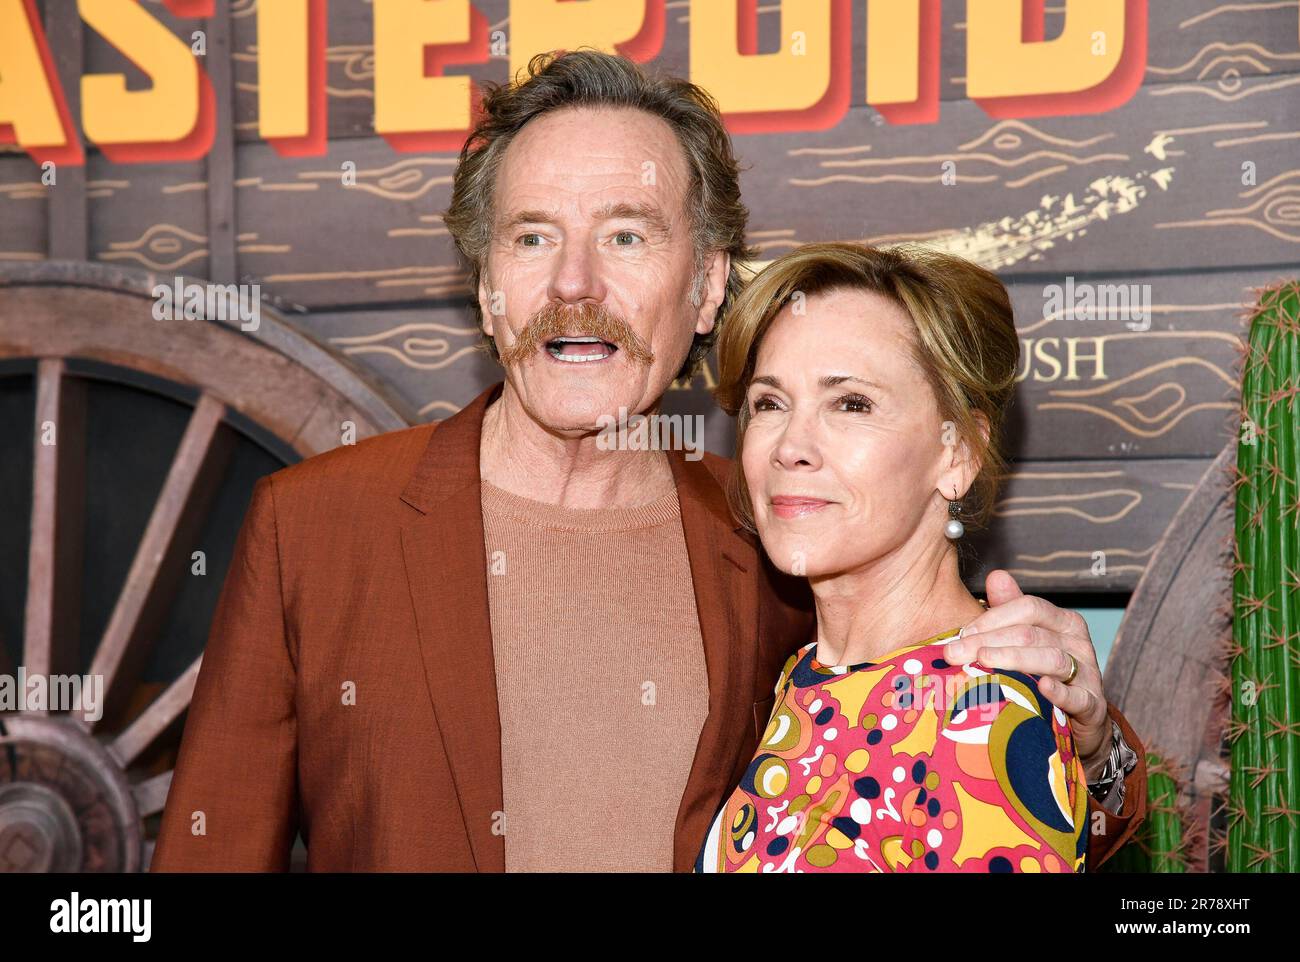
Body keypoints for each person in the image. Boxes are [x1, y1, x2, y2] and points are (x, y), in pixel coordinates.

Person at [151, 50, 1144, 873]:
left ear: (707, 287)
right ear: (488, 285)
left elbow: (964, 794)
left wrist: (1090, 739)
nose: (573, 285)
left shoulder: (775, 531)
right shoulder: (313, 528)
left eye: (626, 236)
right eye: (532, 236)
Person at [697, 242, 1102, 873]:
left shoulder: (979, 714)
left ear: (957, 453)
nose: (791, 447)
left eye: (851, 404)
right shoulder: (807, 675)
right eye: (769, 403)